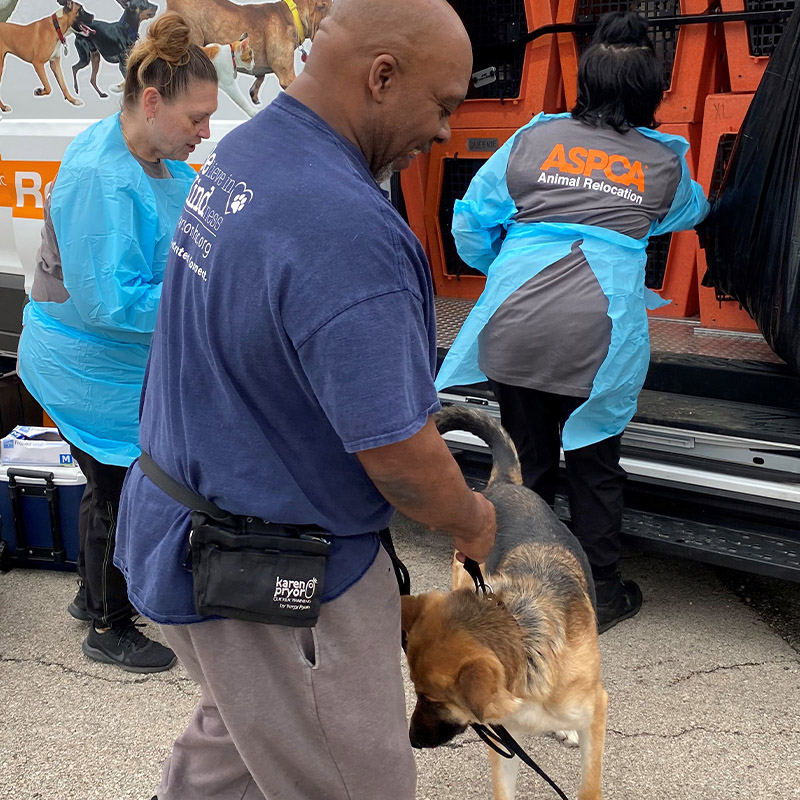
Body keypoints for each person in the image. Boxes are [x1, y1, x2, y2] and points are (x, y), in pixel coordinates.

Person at [114, 0, 496, 797]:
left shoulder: (252, 149)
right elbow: (396, 454)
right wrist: (473, 521)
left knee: (243, 745)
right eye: (444, 104)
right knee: (355, 784)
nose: (447, 134)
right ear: (382, 77)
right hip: (272, 577)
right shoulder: (345, 227)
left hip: (178, 528)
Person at [435, 11, 709, 634]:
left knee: (524, 460)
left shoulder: (532, 139)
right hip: (602, 335)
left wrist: (504, 265)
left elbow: (470, 221)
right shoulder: (664, 163)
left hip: (518, 318)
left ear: (584, 80)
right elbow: (687, 213)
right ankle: (599, 594)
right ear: (651, 88)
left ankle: (509, 588)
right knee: (593, 462)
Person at [17, 12, 218, 673]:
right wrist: (204, 304)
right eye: (196, 118)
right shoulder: (103, 178)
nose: (204, 132)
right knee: (119, 487)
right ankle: (109, 625)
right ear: (153, 101)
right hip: (86, 368)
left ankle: (89, 593)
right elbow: (112, 304)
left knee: (112, 483)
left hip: (108, 364)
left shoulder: (146, 156)